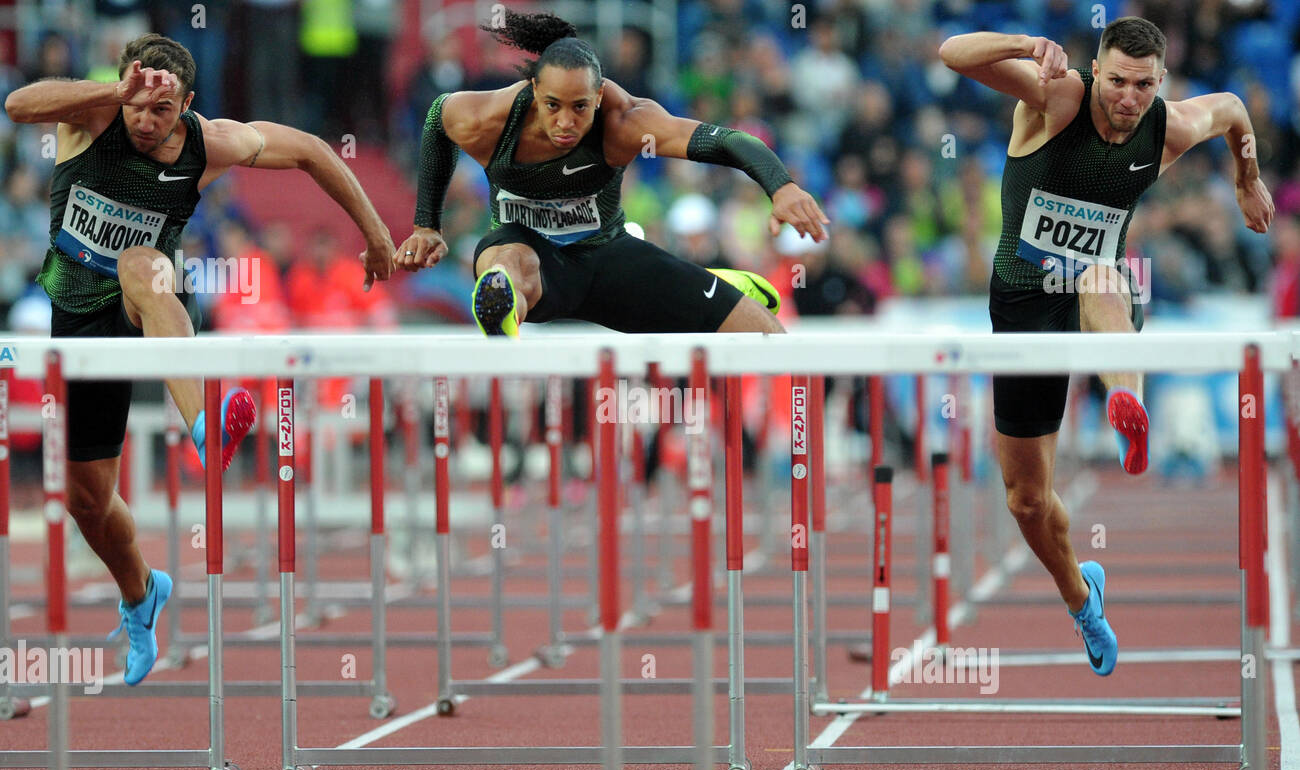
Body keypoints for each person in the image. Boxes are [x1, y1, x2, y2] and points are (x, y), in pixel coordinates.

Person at [4, 33, 395, 685]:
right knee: (87, 499)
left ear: (186, 104)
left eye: (163, 111)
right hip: (76, 318)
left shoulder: (210, 143)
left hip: (148, 305)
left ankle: (207, 424)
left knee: (143, 265)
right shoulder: (95, 114)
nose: (148, 122)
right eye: (140, 107)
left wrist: (378, 235)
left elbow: (313, 151)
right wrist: (114, 91)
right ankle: (140, 592)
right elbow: (18, 103)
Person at [940, 17, 1274, 675]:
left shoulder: (1167, 128)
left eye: (1143, 85)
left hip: (1105, 297)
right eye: (1117, 81)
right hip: (1023, 305)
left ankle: (1126, 402)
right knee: (1027, 500)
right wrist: (1022, 44)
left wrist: (1246, 177)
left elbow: (1234, 111)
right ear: (1097, 70)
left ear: (1161, 82)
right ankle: (1082, 598)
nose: (1128, 98)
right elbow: (953, 53)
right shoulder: (1057, 95)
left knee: (1096, 274)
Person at [394, 9, 828, 337]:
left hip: (608, 258)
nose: (565, 122)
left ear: (599, 96)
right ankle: (500, 302)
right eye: (552, 106)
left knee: (770, 337)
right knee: (502, 263)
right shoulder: (490, 117)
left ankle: (711, 282)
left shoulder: (625, 121)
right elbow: (436, 121)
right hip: (530, 255)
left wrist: (782, 186)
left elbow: (725, 140)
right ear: (533, 92)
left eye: (580, 107)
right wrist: (426, 225)